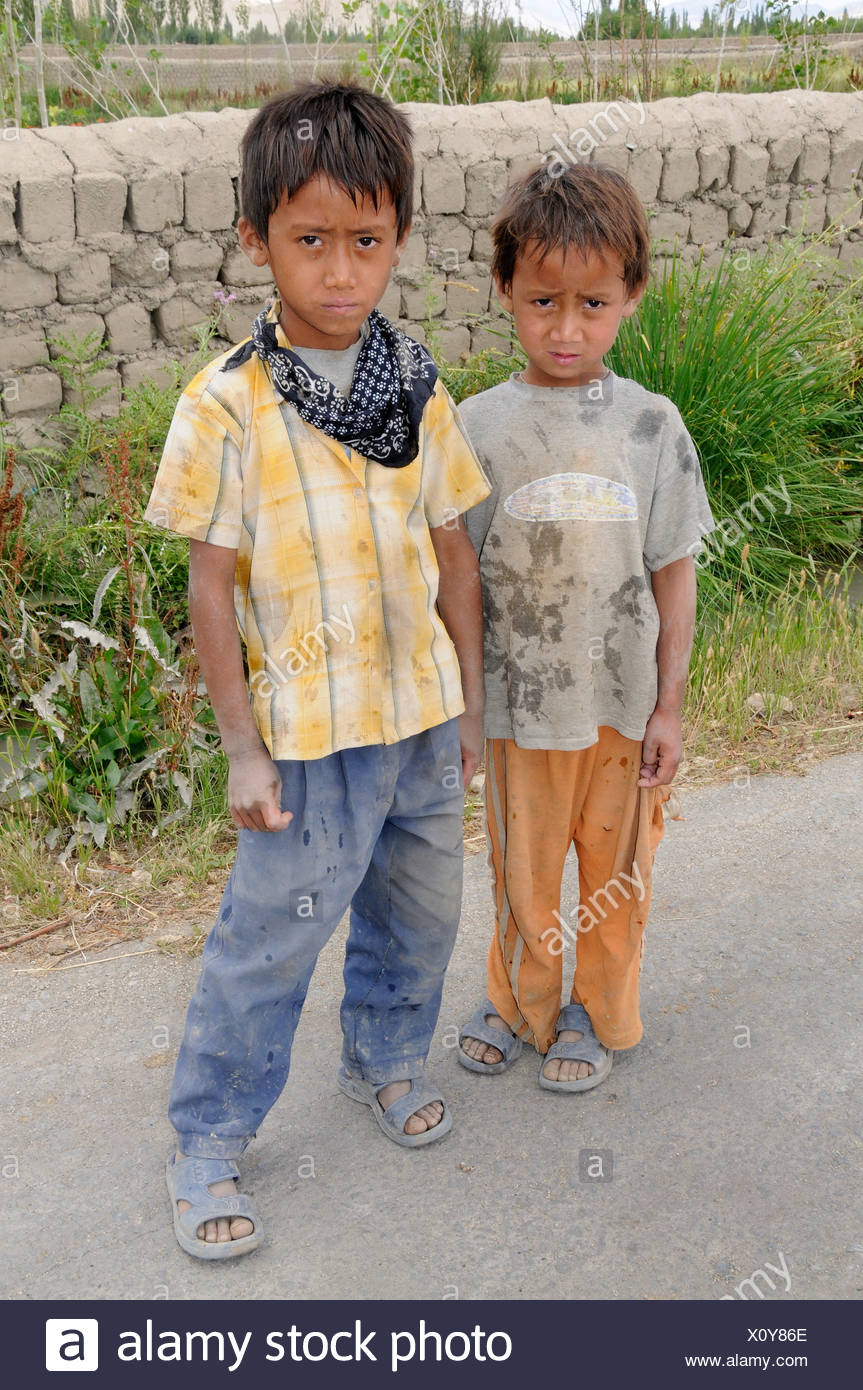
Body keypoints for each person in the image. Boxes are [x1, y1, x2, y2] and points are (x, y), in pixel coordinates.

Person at [144, 82, 490, 1260]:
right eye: (308, 241)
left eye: (366, 241)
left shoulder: (417, 384)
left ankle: (384, 1060)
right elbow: (208, 587)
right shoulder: (226, 406)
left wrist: (470, 705)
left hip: (416, 720)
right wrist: (240, 744)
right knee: (270, 939)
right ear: (256, 240)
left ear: (396, 238)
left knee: (419, 910)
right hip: (303, 737)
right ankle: (208, 1137)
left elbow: (451, 547)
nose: (339, 271)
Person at [456, 162, 715, 1093]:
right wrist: (467, 708)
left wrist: (670, 708)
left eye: (592, 304)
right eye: (542, 302)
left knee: (615, 878)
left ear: (632, 295)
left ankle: (594, 1013)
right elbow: (461, 581)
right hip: (520, 714)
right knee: (520, 877)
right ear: (504, 290)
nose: (566, 330)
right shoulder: (477, 426)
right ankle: (520, 1001)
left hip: (620, 709)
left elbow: (673, 573)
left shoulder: (652, 428)